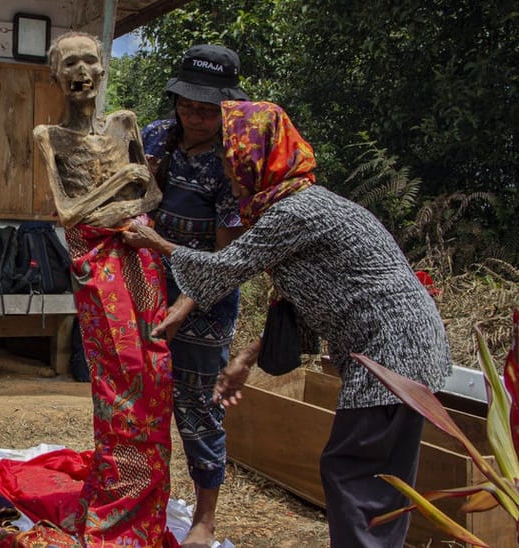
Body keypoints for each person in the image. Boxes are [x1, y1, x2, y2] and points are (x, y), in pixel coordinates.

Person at [124, 101, 452, 547]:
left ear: (255, 158)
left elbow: (224, 268)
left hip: (389, 350)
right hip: (408, 345)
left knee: (352, 469)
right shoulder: (302, 205)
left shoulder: (293, 211)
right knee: (383, 476)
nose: (226, 166)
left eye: (232, 158)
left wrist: (155, 241)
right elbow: (308, 302)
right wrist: (245, 358)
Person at [32, 32, 178, 546]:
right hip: (97, 268)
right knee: (118, 375)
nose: (81, 71)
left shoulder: (125, 124)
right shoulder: (48, 136)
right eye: (68, 64)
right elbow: (69, 214)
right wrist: (123, 186)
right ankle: (120, 488)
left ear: (102, 69)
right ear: (55, 76)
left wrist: (124, 204)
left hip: (141, 261)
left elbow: (151, 197)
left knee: (155, 366)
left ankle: (147, 496)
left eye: (89, 61)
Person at [140, 44, 248, 548]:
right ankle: (144, 495)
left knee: (199, 406)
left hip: (207, 300)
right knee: (144, 399)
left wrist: (185, 307)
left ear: (226, 108)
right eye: (188, 105)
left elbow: (226, 261)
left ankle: (204, 519)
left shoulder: (234, 161)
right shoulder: (157, 137)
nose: (195, 116)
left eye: (207, 109)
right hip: (147, 283)